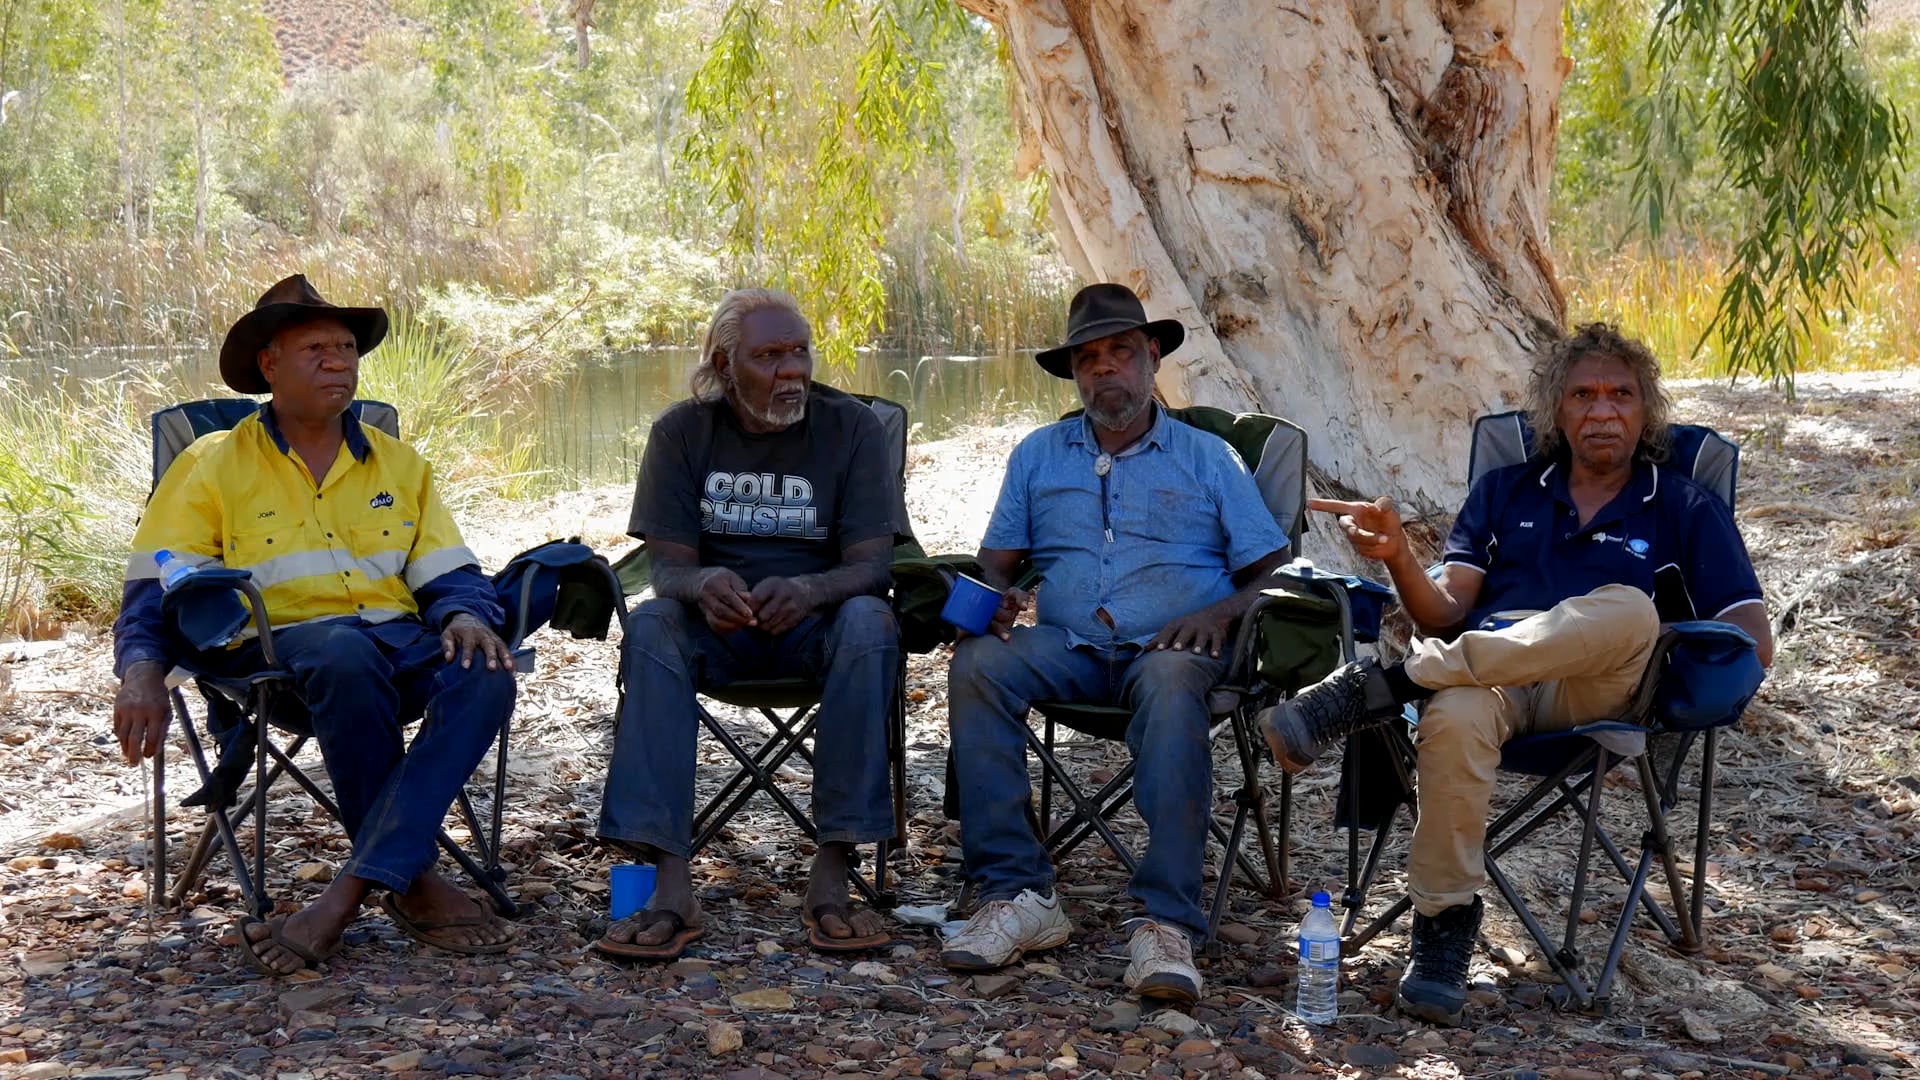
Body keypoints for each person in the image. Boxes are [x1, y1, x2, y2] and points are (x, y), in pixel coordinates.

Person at [1260, 322, 1773, 1025]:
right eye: (1583, 395)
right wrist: (1398, 557)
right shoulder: (1505, 490)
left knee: (1631, 609)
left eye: (1620, 395)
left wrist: (1674, 650)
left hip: (1599, 693)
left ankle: (1388, 685)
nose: (1602, 411)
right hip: (1490, 679)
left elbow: (1752, 640)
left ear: (1645, 410)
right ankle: (1442, 933)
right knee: (1454, 712)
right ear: (1555, 411)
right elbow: (1445, 612)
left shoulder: (1683, 504)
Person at [112, 274, 519, 977]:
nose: (339, 362)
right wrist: (142, 671)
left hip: (396, 645)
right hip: (278, 658)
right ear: (269, 365)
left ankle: (352, 891)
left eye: (347, 348)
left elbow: (448, 571)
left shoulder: (399, 463)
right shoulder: (211, 463)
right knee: (341, 650)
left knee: (485, 673)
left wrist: (462, 614)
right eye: (316, 350)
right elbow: (156, 584)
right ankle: (412, 879)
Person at [940, 283, 1292, 1004]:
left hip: (1172, 653)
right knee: (979, 663)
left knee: (1170, 681)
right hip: (1067, 647)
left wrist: (1221, 614)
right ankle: (1016, 894)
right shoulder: (1037, 456)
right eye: (1088, 358)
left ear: (1152, 356)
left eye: (1121, 352)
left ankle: (1166, 921)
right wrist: (993, 601)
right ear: (1075, 373)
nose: (1104, 368)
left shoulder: (1209, 457)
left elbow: (1276, 573)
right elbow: (995, 565)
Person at [594, 288, 901, 960]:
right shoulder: (682, 433)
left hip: (818, 632)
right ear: (724, 366)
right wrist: (704, 585)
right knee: (652, 625)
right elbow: (666, 570)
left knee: (870, 622)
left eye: (800, 352)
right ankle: (670, 881)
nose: (792, 370)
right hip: (718, 632)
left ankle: (834, 870)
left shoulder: (852, 428)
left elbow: (873, 566)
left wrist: (812, 589)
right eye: (769, 357)